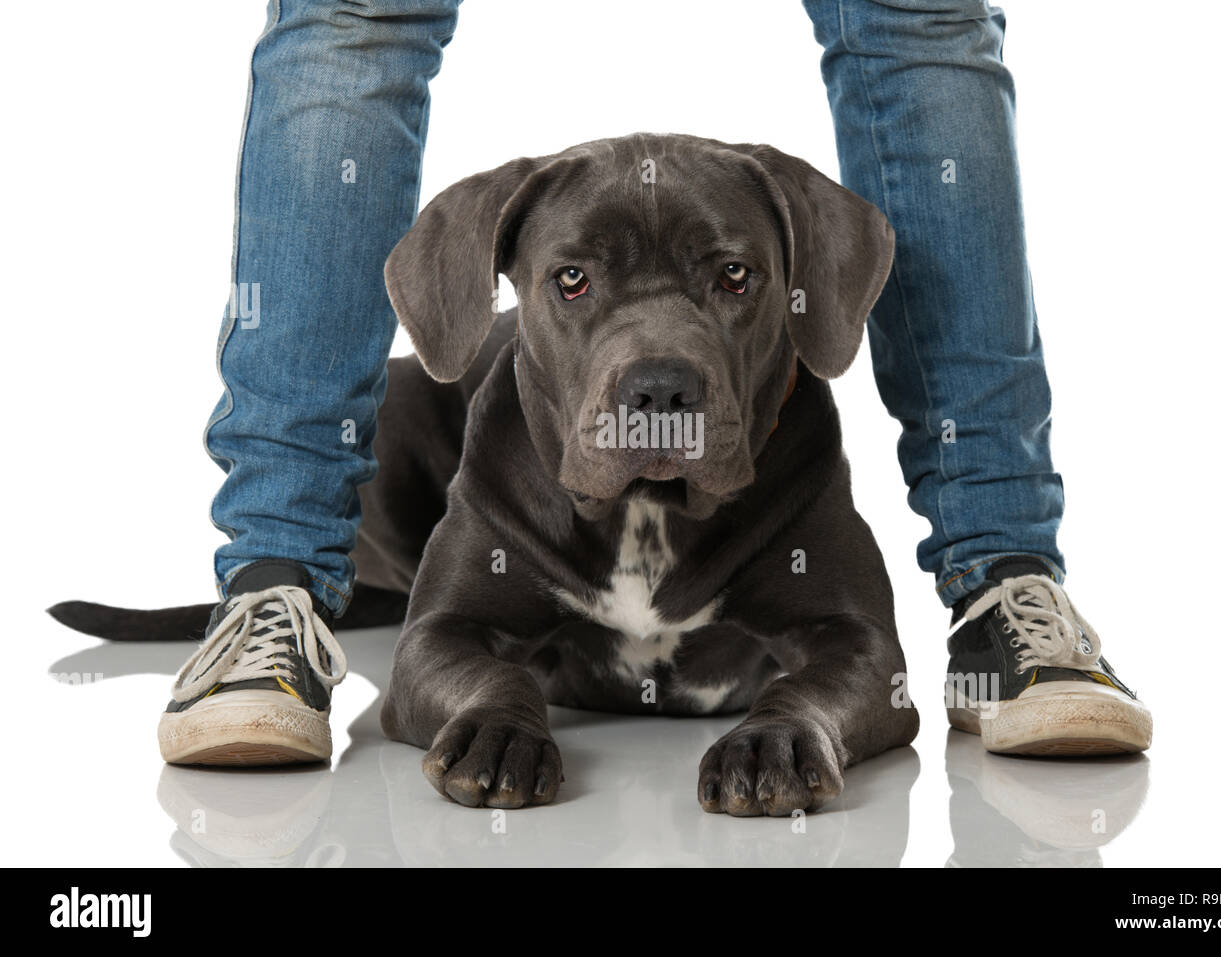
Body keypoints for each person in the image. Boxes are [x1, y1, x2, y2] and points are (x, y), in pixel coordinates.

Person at [159, 0, 1151, 767]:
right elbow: (437, 652)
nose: (656, 370)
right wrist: (480, 688)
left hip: (750, 531)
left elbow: (853, 657)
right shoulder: (486, 421)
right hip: (490, 523)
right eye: (577, 282)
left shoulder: (795, 445)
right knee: (356, 9)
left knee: (913, 14)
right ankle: (274, 591)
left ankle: (1000, 590)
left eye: (730, 279)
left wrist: (807, 718)